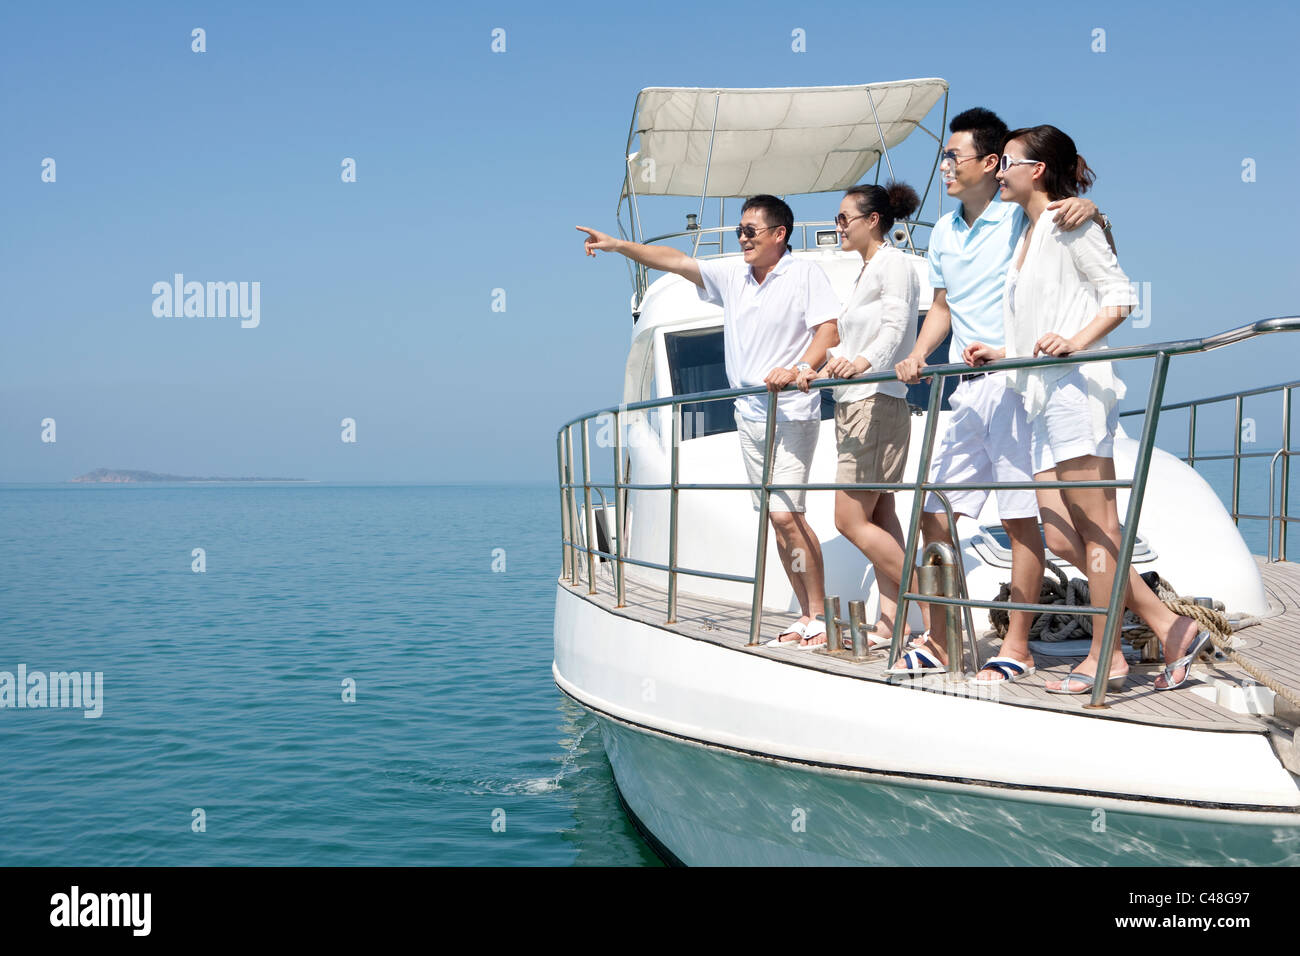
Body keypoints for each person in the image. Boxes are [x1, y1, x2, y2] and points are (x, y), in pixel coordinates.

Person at [964, 124, 1210, 693]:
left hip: (1076, 392)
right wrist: (1004, 353)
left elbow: (1121, 296)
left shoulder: (1067, 223)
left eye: (1010, 163)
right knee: (1061, 533)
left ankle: (1108, 655)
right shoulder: (1029, 233)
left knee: (1097, 530)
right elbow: (1044, 314)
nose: (1000, 172)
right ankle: (1167, 626)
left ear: (1037, 171)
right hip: (1041, 396)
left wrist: (1076, 340)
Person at [894, 108, 1107, 680]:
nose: (943, 166)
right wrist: (918, 353)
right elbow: (942, 308)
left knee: (1020, 521)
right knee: (932, 512)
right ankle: (941, 640)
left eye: (952, 156)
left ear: (992, 164)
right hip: (965, 389)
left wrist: (1091, 206)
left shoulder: (1019, 216)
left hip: (1014, 385)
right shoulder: (940, 231)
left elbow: (1068, 222)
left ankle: (1016, 647)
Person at [577, 195, 840, 648]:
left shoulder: (804, 274)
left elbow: (829, 332)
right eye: (740, 230)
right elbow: (677, 262)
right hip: (749, 414)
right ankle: (804, 615)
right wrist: (620, 246)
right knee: (776, 520)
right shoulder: (733, 275)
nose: (742, 238)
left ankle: (819, 614)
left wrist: (799, 368)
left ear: (779, 234)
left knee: (787, 513)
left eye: (750, 231)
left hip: (792, 412)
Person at [795, 183, 930, 649]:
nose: (838, 226)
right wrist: (828, 362)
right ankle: (891, 625)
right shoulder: (869, 268)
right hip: (862, 401)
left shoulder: (893, 265)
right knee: (884, 515)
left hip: (874, 400)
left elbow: (895, 329)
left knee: (849, 520)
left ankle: (937, 614)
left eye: (843, 218)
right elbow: (864, 335)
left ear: (872, 220)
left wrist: (860, 363)